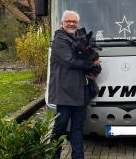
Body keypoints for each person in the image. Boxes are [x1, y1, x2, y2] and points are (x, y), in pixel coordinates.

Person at [49, 10, 100, 159]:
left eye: (74, 22)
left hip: (81, 92)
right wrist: (92, 63)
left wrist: (94, 68)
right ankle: (54, 155)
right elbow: (70, 61)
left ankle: (78, 156)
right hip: (64, 93)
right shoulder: (59, 40)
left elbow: (87, 53)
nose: (71, 24)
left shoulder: (78, 37)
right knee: (60, 128)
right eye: (68, 21)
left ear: (77, 24)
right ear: (62, 23)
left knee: (77, 128)